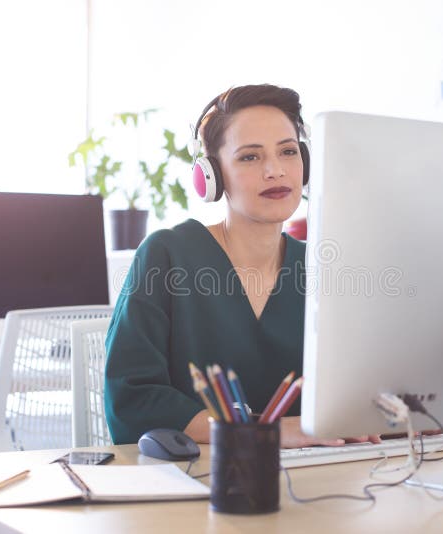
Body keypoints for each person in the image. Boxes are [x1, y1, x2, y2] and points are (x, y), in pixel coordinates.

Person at [104, 84, 378, 448]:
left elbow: (354, 387)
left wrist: (395, 416)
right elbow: (132, 401)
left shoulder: (321, 266)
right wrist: (268, 433)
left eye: (288, 151)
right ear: (212, 176)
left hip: (320, 477)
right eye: (250, 157)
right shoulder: (168, 254)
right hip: (198, 481)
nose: (275, 170)